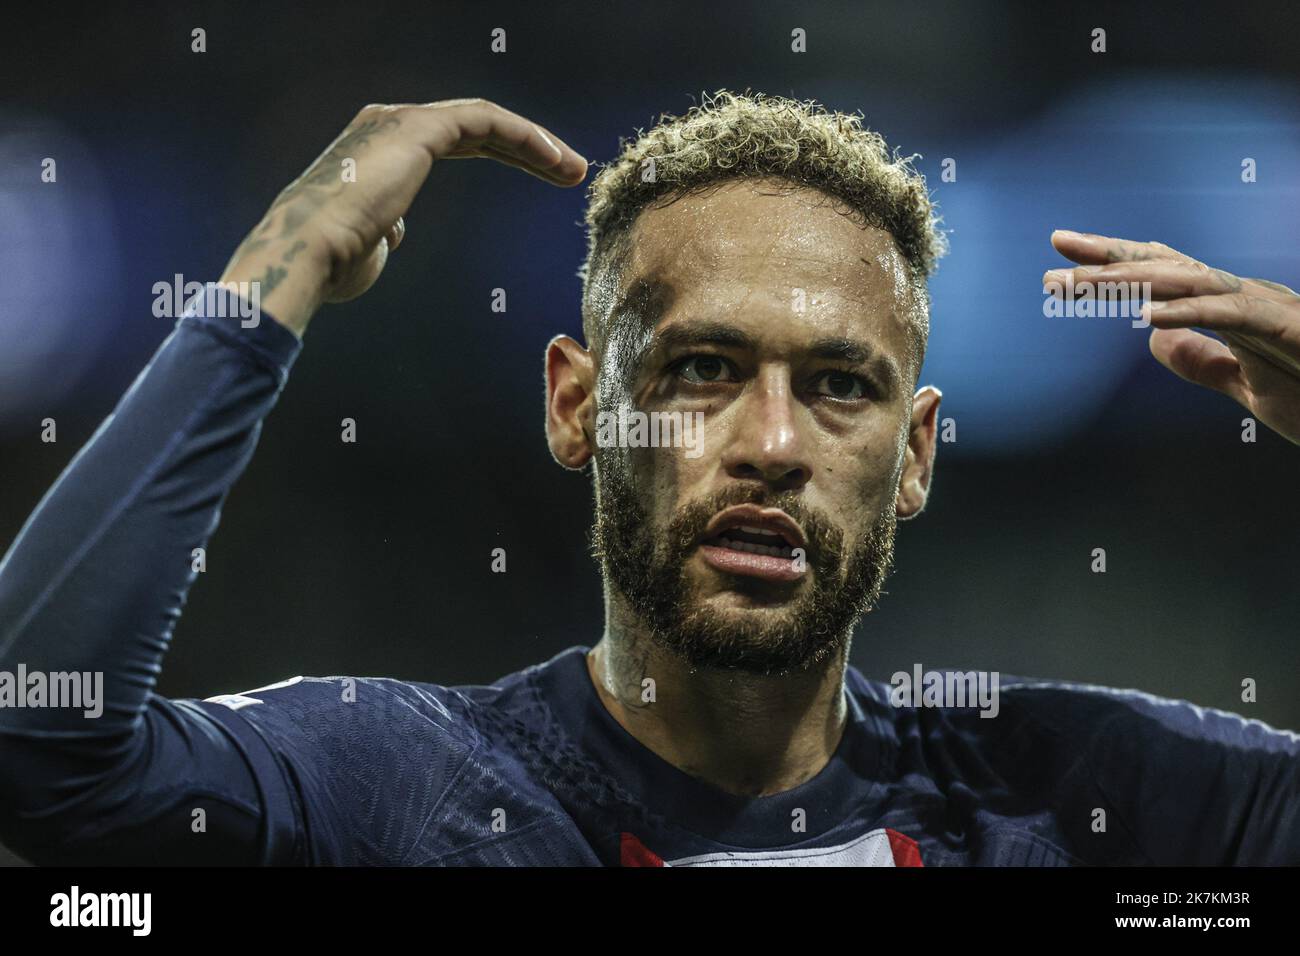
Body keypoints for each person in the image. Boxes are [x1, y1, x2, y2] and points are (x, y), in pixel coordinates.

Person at [1, 92, 1297, 866]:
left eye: (840, 386)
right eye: (702, 369)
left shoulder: (1080, 803)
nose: (773, 444)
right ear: (578, 405)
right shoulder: (402, 790)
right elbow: (38, 750)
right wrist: (269, 281)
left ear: (913, 457)